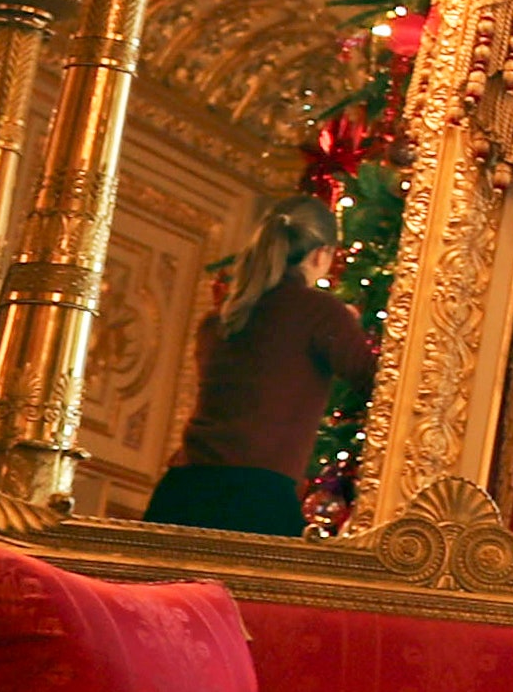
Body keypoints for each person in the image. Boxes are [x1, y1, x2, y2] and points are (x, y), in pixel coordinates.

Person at [142, 197, 374, 536]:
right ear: (320, 254)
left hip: (180, 493)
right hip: (255, 499)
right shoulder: (319, 313)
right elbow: (379, 381)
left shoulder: (221, 319)